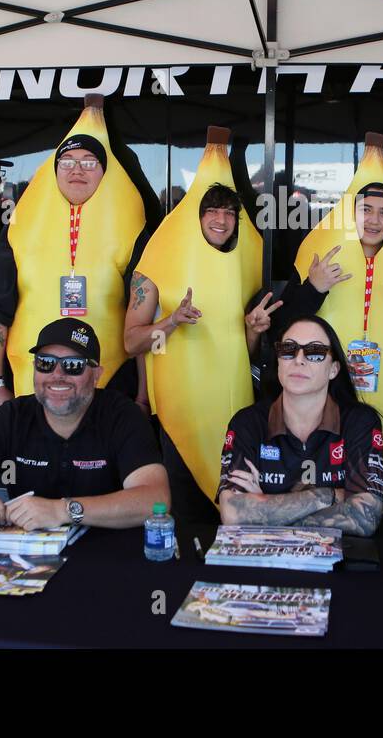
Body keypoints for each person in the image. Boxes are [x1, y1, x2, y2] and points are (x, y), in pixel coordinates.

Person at [277, 134, 383, 499]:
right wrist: (313, 288)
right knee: (318, 498)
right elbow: (280, 329)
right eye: (365, 209)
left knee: (380, 502)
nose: (374, 220)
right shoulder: (319, 253)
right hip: (325, 400)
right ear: (350, 212)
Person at [127, 126, 272, 520]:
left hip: (235, 406)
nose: (221, 220)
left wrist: (253, 332)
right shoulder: (159, 257)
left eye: (229, 212)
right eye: (212, 210)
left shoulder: (246, 259)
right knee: (185, 510)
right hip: (180, 411)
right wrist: (172, 321)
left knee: (235, 507)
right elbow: (130, 341)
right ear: (196, 213)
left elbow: (243, 348)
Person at [0, 318, 168, 529]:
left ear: (96, 375)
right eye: (46, 364)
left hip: (110, 557)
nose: (57, 375)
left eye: (73, 366)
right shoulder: (12, 417)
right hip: (29, 562)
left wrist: (64, 510)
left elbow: (155, 498)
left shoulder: (121, 415)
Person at [0, 107, 151, 411]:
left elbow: (144, 318)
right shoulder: (20, 228)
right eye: (67, 162)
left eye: (89, 162)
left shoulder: (131, 230)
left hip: (110, 383)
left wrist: (143, 395)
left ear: (105, 170)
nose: (77, 170)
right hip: (31, 380)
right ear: (54, 170)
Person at [217, 316, 383, 536]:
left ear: (334, 369)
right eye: (288, 349)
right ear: (278, 361)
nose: (298, 360)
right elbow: (233, 514)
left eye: (315, 352)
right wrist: (332, 496)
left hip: (342, 561)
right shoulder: (247, 423)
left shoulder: (360, 422)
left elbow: (365, 517)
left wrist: (265, 508)